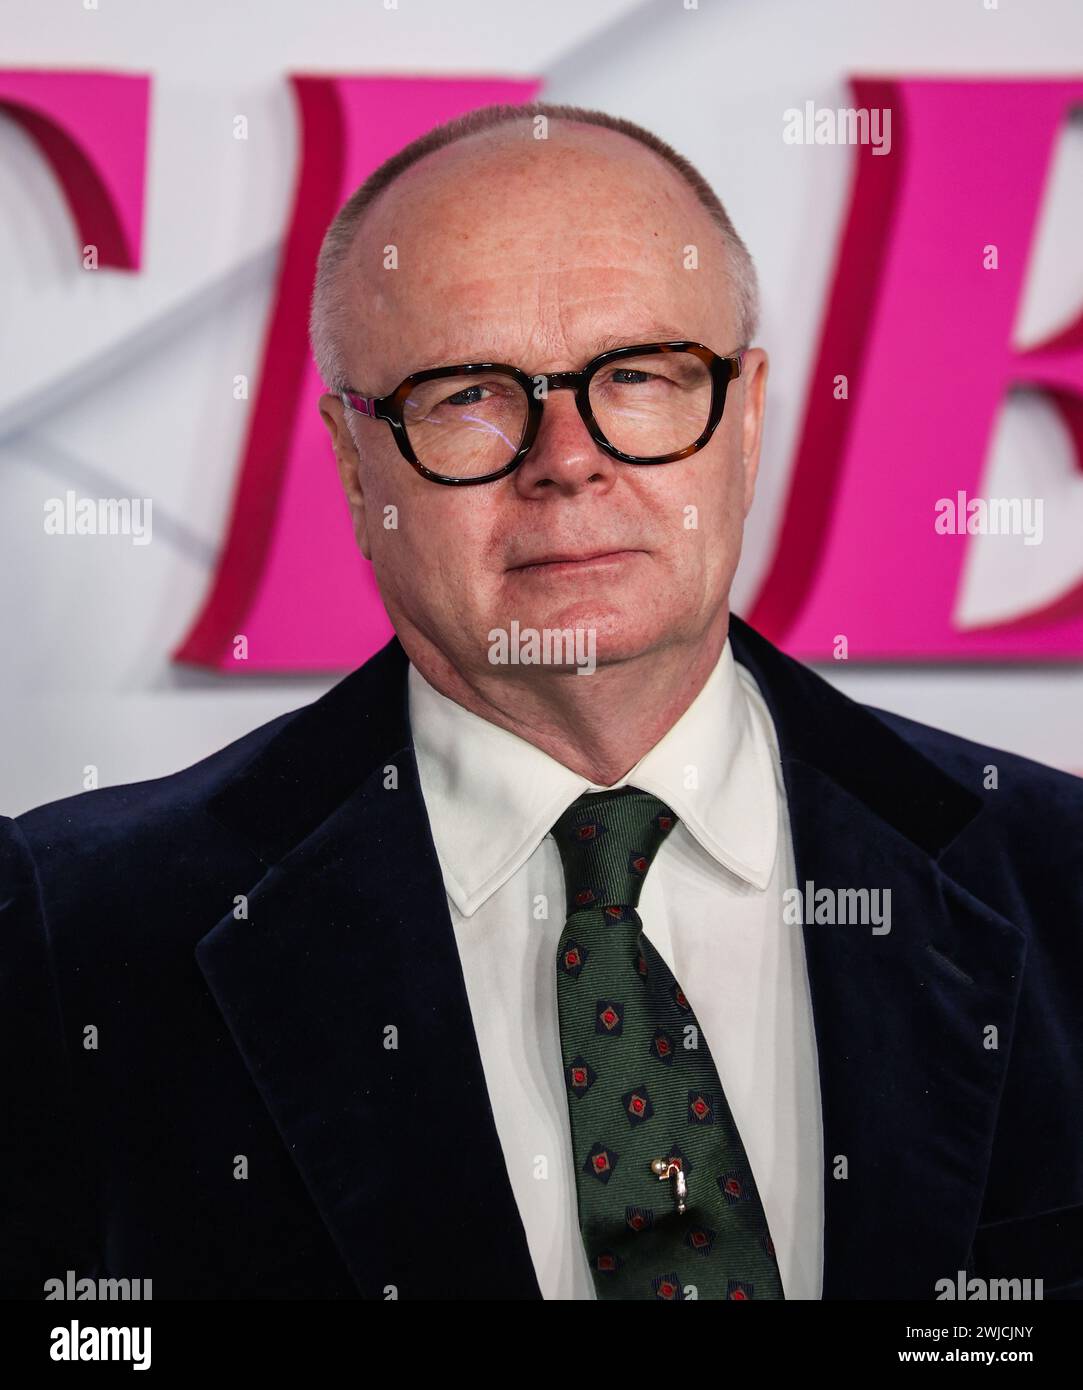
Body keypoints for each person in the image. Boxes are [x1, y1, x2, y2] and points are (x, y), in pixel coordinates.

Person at [2, 102, 1081, 1302]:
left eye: (641, 376)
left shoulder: (1058, 873)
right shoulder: (63, 937)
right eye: (467, 394)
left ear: (750, 416)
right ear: (358, 469)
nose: (566, 456)